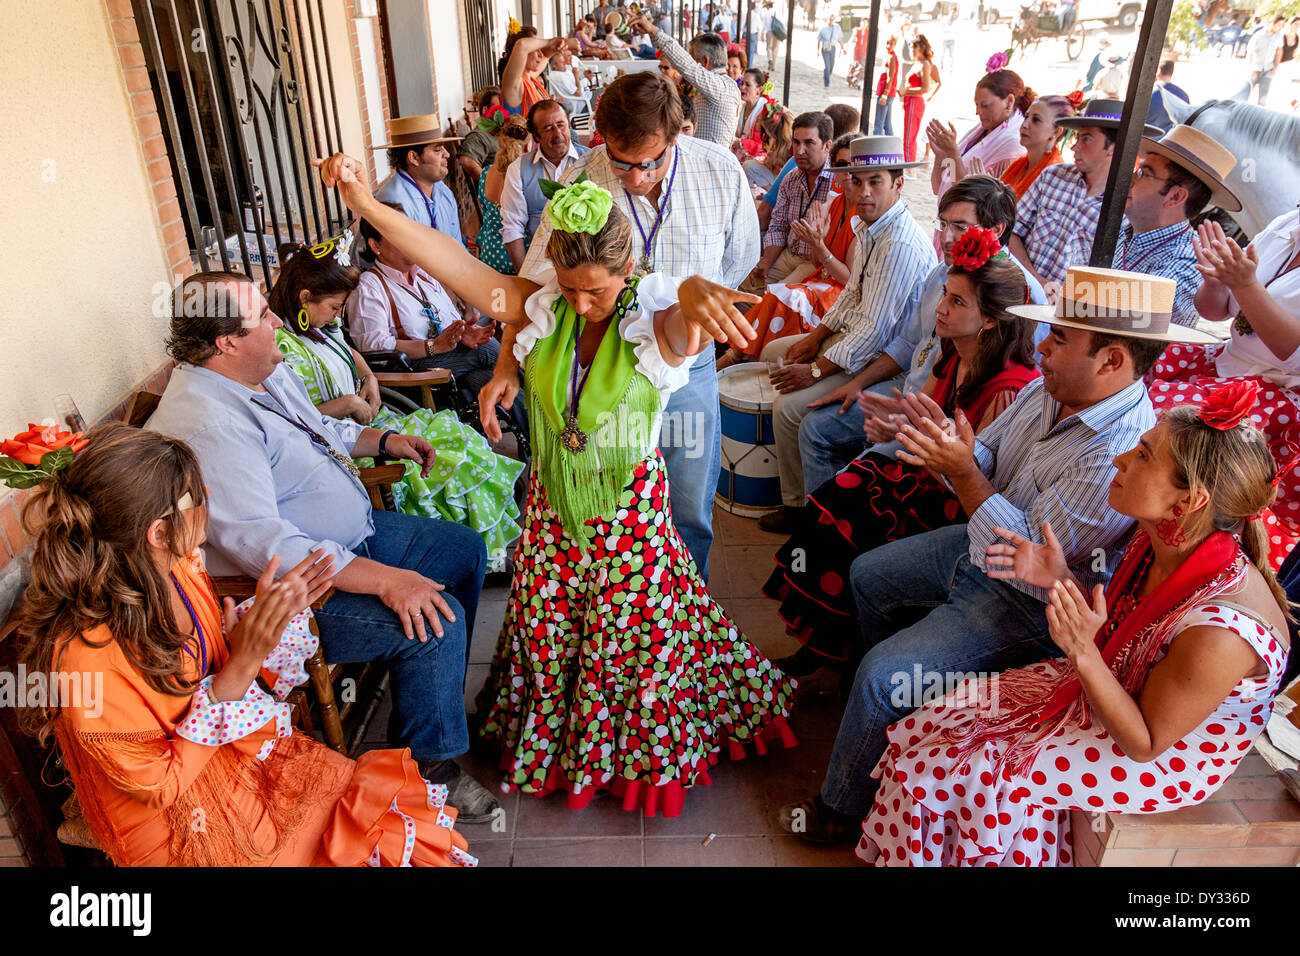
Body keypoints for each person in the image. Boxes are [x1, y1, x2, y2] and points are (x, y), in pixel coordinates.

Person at [316, 154, 798, 817]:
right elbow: (457, 265)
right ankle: (558, 748)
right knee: (549, 636)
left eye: (595, 290)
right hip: (550, 512)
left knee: (634, 644)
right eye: (569, 287)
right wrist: (368, 208)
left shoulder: (653, 323)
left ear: (627, 274)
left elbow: (685, 317)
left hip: (628, 521)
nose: (579, 302)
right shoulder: (545, 308)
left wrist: (690, 291)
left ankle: (634, 760)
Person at [778, 265, 1220, 843]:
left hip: (1027, 600)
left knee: (883, 677)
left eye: (1060, 338)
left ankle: (842, 808)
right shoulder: (1051, 388)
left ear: (1111, 361)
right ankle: (892, 719)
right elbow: (987, 454)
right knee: (869, 576)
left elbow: (1027, 557)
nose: (1042, 348)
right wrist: (947, 444)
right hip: (983, 550)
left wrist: (960, 470)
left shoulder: (1116, 448)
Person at [858, 382, 1291, 865]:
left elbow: (1144, 742)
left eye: (1144, 455)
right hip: (1114, 686)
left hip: (1161, 754)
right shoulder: (1164, 542)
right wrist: (1060, 577)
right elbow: (1128, 632)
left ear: (1188, 503)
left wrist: (1082, 653)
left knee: (946, 772)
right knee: (932, 722)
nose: (1121, 459)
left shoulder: (1222, 631)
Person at [16, 423, 478, 867]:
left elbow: (206, 675)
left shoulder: (177, 570)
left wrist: (247, 636)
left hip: (233, 758)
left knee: (380, 824)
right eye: (196, 495)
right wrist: (244, 660)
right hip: (180, 819)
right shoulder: (84, 660)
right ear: (157, 533)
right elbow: (159, 785)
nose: (210, 498)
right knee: (357, 835)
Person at [147, 270, 499, 820]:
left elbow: (321, 432)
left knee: (462, 550)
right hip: (295, 596)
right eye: (262, 316)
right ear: (226, 342)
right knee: (440, 618)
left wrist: (383, 439)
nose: (277, 322)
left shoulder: (257, 372)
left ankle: (436, 699)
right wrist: (386, 580)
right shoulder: (208, 424)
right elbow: (267, 545)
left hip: (349, 540)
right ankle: (428, 766)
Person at [482, 72, 761, 581]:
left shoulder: (721, 172)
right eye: (621, 162)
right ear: (600, 140)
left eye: (650, 162)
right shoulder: (579, 183)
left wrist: (685, 324)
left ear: (677, 135)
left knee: (689, 505)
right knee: (609, 503)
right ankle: (615, 613)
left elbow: (739, 262)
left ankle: (681, 620)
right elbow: (533, 285)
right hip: (604, 374)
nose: (635, 178)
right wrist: (506, 361)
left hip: (689, 367)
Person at [766, 227, 1040, 669]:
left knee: (847, 523)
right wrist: (893, 421)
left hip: (964, 508)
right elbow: (920, 415)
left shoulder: (1009, 387)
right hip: (928, 475)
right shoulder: (954, 351)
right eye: (945, 295)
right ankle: (826, 646)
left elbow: (980, 484)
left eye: (957, 301)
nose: (941, 308)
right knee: (828, 505)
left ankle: (843, 654)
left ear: (990, 319)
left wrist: (914, 438)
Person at [269, 236, 524, 571]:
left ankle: (478, 556)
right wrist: (347, 403)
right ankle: (468, 558)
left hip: (375, 422)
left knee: (467, 443)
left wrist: (369, 377)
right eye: (335, 308)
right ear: (305, 297)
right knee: (454, 462)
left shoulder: (318, 324)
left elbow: (349, 349)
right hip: (341, 447)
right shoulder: (279, 347)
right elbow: (292, 420)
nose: (338, 315)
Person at [792, 175, 1049, 501]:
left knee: (843, 492)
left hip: (943, 432)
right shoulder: (943, 273)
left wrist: (909, 424)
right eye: (943, 224)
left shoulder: (1024, 295)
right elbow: (910, 344)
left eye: (960, 226)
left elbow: (984, 444)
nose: (946, 238)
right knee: (817, 432)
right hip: (915, 403)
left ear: (995, 231)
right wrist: (858, 386)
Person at [756, 135, 934, 533]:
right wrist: (815, 336)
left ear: (898, 183)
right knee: (775, 351)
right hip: (859, 347)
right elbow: (852, 294)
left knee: (791, 411)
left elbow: (874, 332)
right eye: (857, 181)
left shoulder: (899, 243)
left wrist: (817, 370)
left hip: (884, 365)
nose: (864, 192)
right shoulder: (871, 227)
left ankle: (804, 510)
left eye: (876, 182)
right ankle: (792, 481)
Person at [1150, 210, 1300, 568]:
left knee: (1156, 424)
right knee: (1124, 377)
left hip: (1273, 393)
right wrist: (1217, 282)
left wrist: (1245, 285)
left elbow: (1295, 355)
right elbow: (1217, 311)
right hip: (1220, 365)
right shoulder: (1286, 225)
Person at [348, 205, 529, 431]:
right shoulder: (369, 286)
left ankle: (540, 440)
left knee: (485, 379)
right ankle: (547, 400)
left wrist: (463, 333)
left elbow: (449, 320)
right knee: (491, 351)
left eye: (408, 231)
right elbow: (373, 346)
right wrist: (433, 346)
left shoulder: (423, 275)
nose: (409, 240)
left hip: (451, 363)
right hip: (411, 369)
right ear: (376, 246)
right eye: (397, 234)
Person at [719, 134, 860, 367]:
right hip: (815, 272)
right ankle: (739, 354)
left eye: (855, 167)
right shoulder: (831, 201)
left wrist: (819, 246)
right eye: (842, 166)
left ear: (825, 147)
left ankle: (737, 357)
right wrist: (817, 242)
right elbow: (776, 223)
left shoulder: (861, 213)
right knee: (764, 291)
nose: (849, 174)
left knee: (784, 297)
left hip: (836, 289)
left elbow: (849, 279)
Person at [1008, 99, 1142, 300]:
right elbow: (1012, 231)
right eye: (1078, 138)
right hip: (1017, 292)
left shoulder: (1127, 209)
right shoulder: (1053, 176)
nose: (1075, 147)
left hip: (1065, 314)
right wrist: (1036, 281)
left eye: (1086, 139)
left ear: (1113, 148)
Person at [1112, 125, 1241, 328]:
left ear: (1175, 196)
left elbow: (1124, 316)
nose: (1129, 180)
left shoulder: (1193, 258)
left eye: (1144, 174)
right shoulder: (1120, 230)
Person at [500, 99, 590, 271]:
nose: (558, 134)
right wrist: (525, 278)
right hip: (542, 267)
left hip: (589, 264)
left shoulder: (591, 160)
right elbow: (513, 228)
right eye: (548, 128)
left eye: (561, 125)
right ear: (536, 136)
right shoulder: (518, 169)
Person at [630, 15, 742, 148]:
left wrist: (653, 30)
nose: (690, 62)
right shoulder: (725, 85)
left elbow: (687, 65)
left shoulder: (720, 86)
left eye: (692, 58)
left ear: (705, 61)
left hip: (708, 165)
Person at [751, 112, 835, 286]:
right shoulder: (791, 178)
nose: (800, 150)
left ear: (827, 146)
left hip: (816, 263)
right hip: (788, 255)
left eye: (809, 143)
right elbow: (778, 225)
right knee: (745, 289)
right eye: (796, 142)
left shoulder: (836, 184)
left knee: (774, 300)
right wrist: (766, 261)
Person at [928, 68, 1032, 203]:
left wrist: (953, 153)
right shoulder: (982, 129)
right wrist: (941, 156)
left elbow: (971, 197)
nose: (978, 112)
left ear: (1009, 102)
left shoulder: (1013, 144)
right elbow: (939, 187)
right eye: (976, 105)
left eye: (985, 105)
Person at [374, 113, 464, 247]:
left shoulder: (443, 191)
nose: (447, 154)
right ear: (414, 158)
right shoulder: (393, 203)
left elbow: (458, 248)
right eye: (438, 149)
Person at [476, 116, 530, 275]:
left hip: (489, 256)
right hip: (520, 259)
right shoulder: (528, 175)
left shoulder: (486, 173)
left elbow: (485, 213)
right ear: (528, 144)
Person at [1000, 94, 1075, 200]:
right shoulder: (1021, 163)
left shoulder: (1053, 177)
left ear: (1056, 132)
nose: (1025, 124)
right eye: (1027, 116)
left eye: (1036, 120)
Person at [901, 36, 940, 169]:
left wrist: (906, 91)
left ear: (921, 48)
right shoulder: (918, 63)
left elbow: (924, 88)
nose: (912, 50)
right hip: (910, 101)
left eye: (914, 47)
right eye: (911, 47)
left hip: (915, 102)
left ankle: (909, 167)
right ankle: (909, 165)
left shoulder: (924, 64)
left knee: (909, 138)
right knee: (908, 137)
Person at [500, 32, 558, 116]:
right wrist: (550, 42)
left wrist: (562, 43)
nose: (540, 54)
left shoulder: (530, 77)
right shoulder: (514, 84)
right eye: (535, 49)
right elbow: (522, 45)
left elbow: (546, 56)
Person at [742, 101, 792, 194]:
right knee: (748, 166)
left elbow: (784, 173)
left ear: (770, 131)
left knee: (749, 166)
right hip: (782, 181)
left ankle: (773, 196)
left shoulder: (789, 146)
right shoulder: (779, 141)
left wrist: (773, 163)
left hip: (787, 185)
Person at [458, 86, 504, 184]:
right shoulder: (479, 135)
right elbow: (466, 160)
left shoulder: (499, 131)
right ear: (486, 110)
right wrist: (491, 186)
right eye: (499, 109)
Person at [1247, 14, 1286, 106]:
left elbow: (1279, 52)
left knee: (1263, 99)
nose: (1281, 27)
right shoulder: (1258, 35)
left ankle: (1258, 118)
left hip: (1268, 69)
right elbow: (1249, 52)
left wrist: (1275, 68)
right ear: (1273, 23)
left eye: (1282, 25)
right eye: (1279, 25)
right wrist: (1250, 68)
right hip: (1255, 69)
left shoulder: (1279, 36)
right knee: (1245, 93)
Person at [1146, 60, 1190, 134]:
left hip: (1145, 138)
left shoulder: (1148, 91)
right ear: (1171, 72)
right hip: (1166, 140)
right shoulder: (1183, 95)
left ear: (1159, 71)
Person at [735, 68, 768, 152]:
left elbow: (761, 146)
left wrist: (738, 142)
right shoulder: (741, 107)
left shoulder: (764, 109)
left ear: (759, 89)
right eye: (742, 83)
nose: (742, 87)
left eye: (748, 85)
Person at [873, 36, 900, 137]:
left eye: (891, 44)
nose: (888, 46)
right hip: (889, 93)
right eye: (887, 43)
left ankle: (876, 148)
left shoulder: (892, 57)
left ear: (895, 45)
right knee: (887, 125)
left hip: (886, 94)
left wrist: (884, 95)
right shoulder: (890, 56)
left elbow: (890, 77)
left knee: (878, 125)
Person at [817, 14, 845, 88]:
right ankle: (827, 83)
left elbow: (839, 39)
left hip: (832, 48)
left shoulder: (837, 28)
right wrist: (818, 50)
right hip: (825, 47)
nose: (831, 21)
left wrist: (843, 48)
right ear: (827, 19)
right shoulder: (823, 28)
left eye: (832, 19)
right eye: (830, 19)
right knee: (827, 65)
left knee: (831, 65)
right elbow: (819, 40)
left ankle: (826, 74)